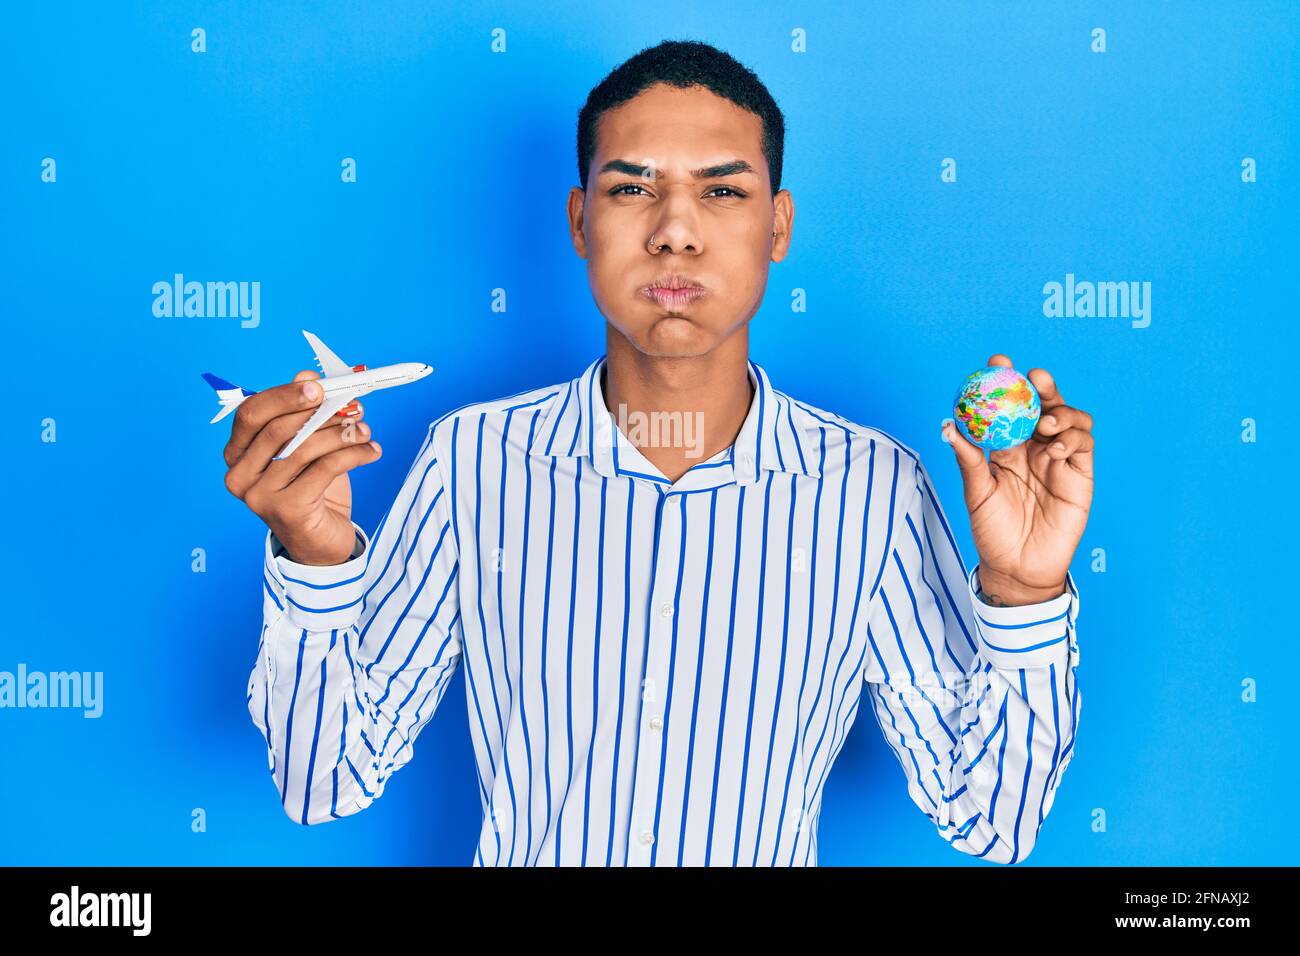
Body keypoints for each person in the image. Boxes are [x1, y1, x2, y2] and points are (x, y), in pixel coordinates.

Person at [223, 39, 1093, 866]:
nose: (676, 230)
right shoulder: (472, 463)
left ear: (779, 226)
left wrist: (1023, 595)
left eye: (722, 192)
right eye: (633, 189)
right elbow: (323, 782)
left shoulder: (874, 489)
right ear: (579, 220)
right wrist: (315, 562)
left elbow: (991, 819)